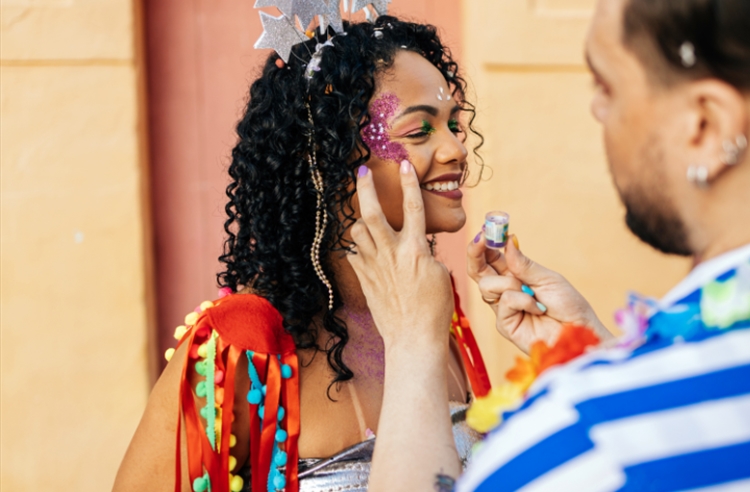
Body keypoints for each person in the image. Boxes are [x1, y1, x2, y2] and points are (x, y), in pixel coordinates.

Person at [347, 0, 750, 490]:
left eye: (606, 83)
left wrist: (410, 348)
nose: (597, 109)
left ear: (704, 126)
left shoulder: (586, 451)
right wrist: (596, 352)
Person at [113, 16, 492, 492]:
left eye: (455, 124)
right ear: (328, 159)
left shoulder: (436, 303)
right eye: (420, 131)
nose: (457, 147)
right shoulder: (243, 342)